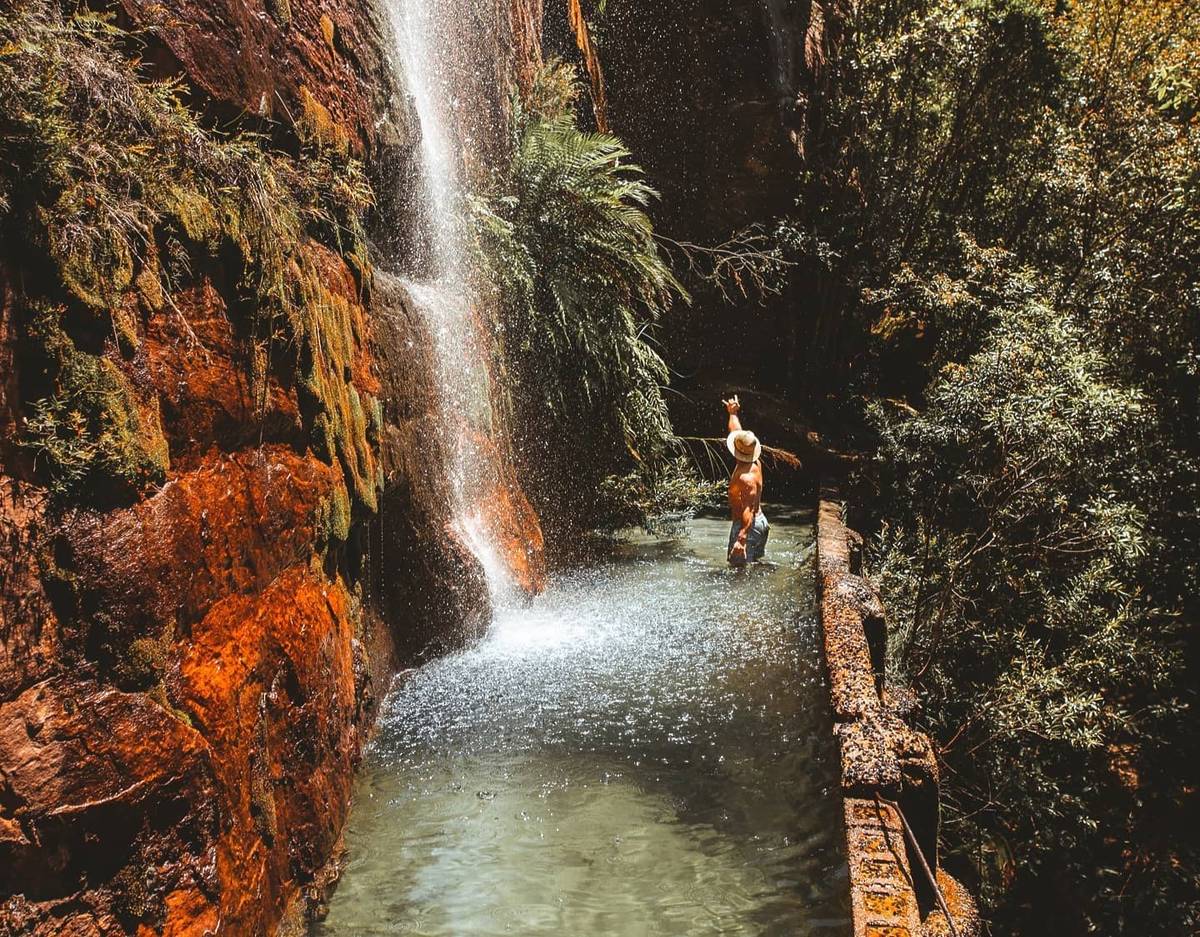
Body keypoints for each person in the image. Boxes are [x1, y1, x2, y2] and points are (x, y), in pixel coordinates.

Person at [722, 394, 769, 565]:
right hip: (759, 523)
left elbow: (748, 509)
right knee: (752, 566)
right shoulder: (752, 461)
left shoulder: (746, 478)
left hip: (748, 526)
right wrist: (733, 413)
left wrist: (741, 539)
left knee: (737, 573)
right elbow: (736, 432)